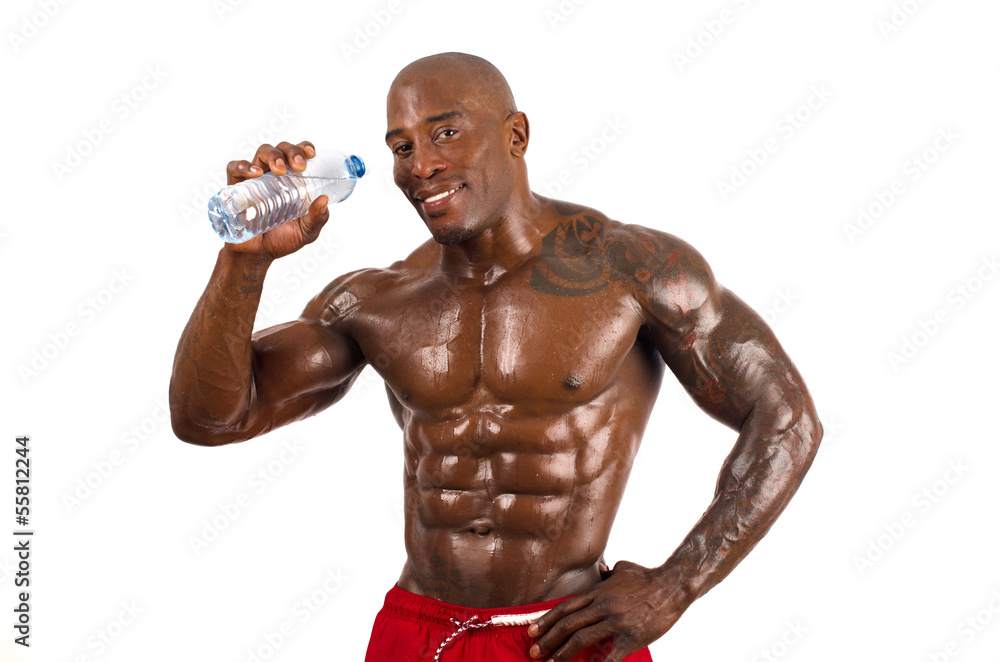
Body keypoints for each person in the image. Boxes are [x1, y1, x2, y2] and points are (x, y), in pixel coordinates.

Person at [169, 52, 823, 662]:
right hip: (417, 632)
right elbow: (211, 419)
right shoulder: (375, 300)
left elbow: (785, 415)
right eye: (401, 146)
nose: (419, 163)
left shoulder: (629, 269)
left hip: (569, 636)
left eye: (445, 133)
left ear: (516, 136)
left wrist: (674, 588)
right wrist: (244, 263)